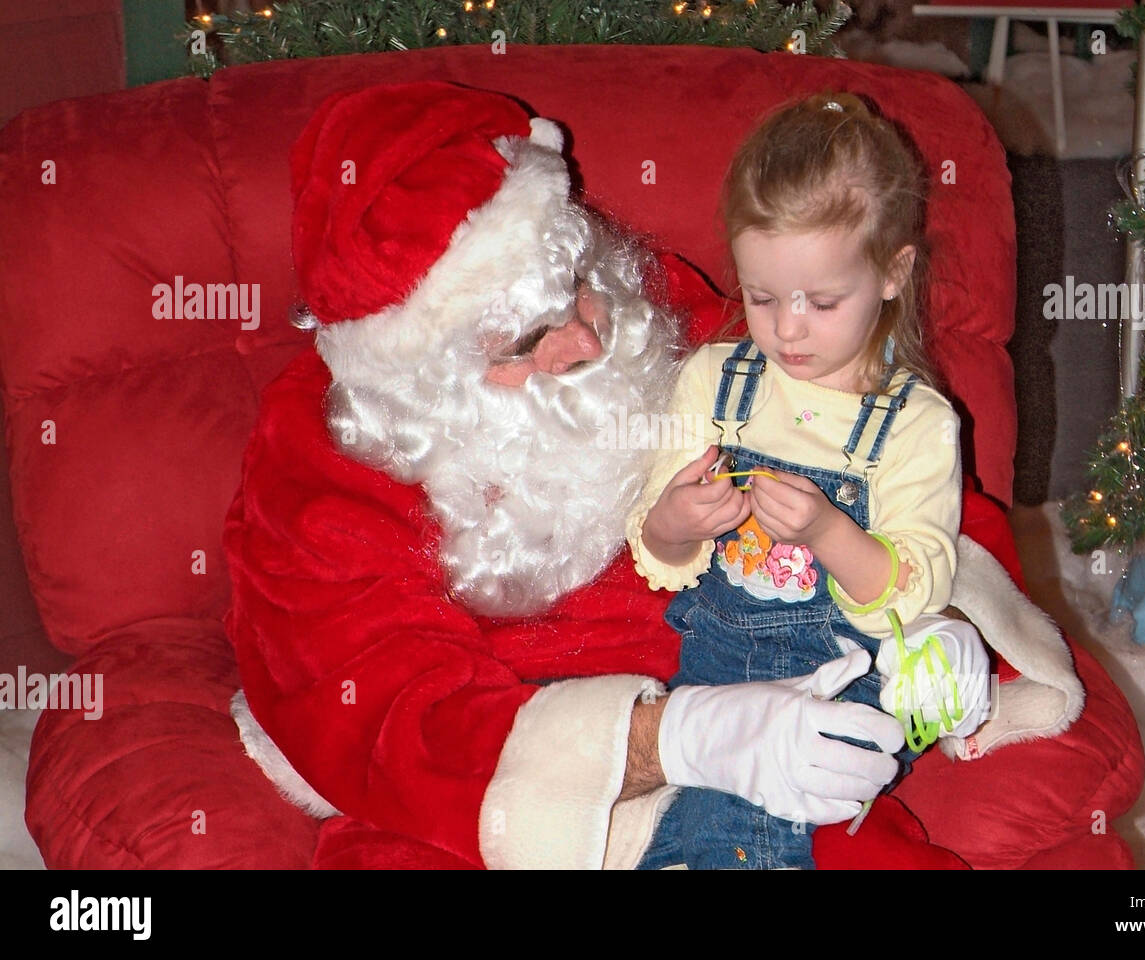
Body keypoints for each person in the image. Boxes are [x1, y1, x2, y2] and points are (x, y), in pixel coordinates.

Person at [223, 80, 1086, 871]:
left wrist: (934, 629)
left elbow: (864, 444)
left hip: (788, 695)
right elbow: (382, 718)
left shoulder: (646, 300)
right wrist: (680, 740)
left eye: (576, 290)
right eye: (527, 342)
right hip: (543, 798)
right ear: (427, 372)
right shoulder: (326, 459)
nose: (589, 342)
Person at [629, 93, 991, 869]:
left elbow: (916, 589)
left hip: (849, 680)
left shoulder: (915, 424)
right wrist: (677, 520)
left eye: (822, 303)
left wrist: (830, 532)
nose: (787, 328)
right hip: (714, 672)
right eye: (761, 298)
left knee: (745, 811)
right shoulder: (713, 382)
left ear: (893, 274)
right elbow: (656, 551)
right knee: (716, 789)